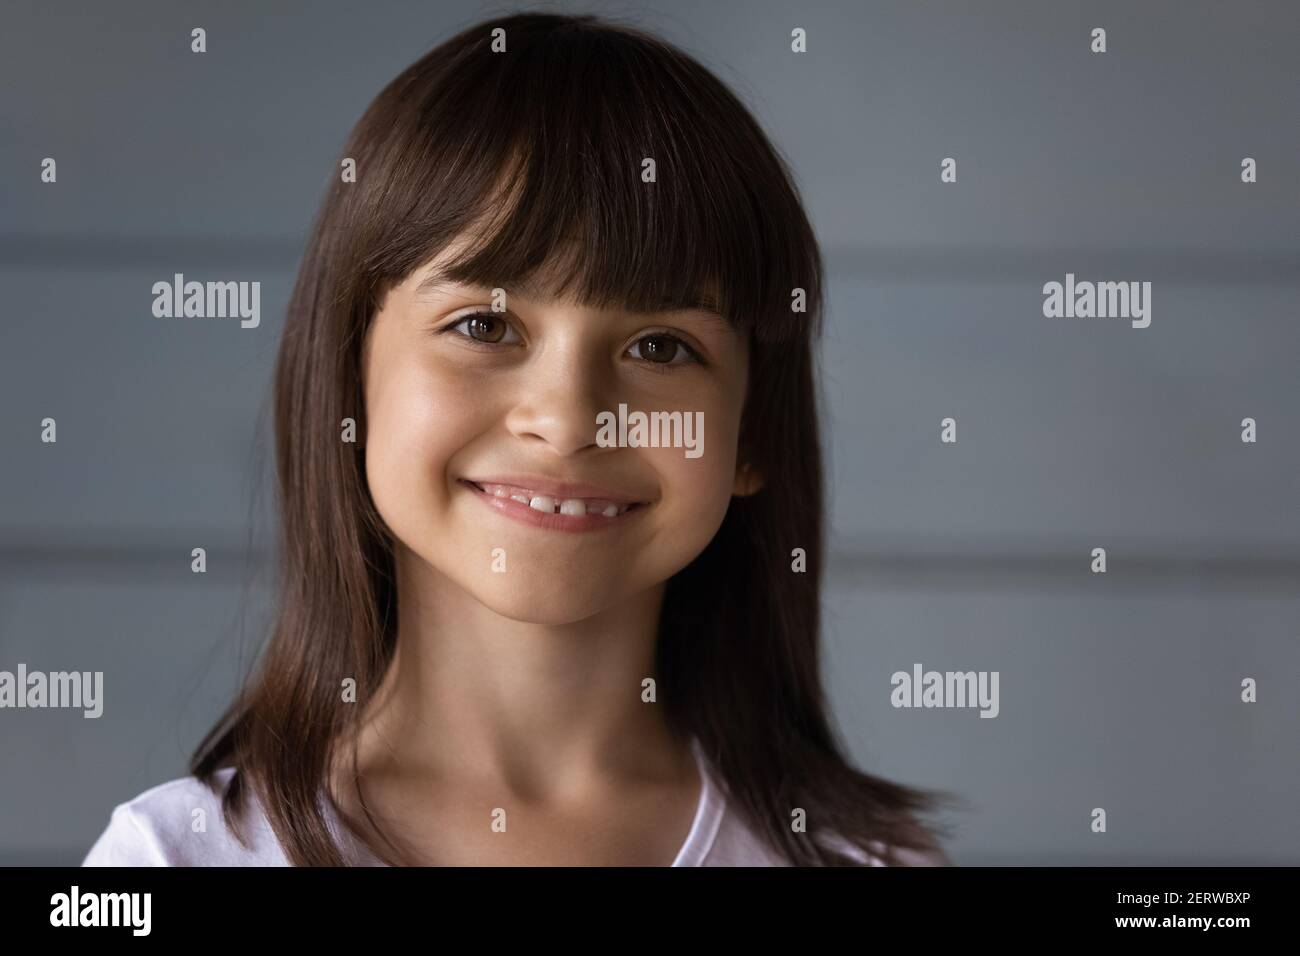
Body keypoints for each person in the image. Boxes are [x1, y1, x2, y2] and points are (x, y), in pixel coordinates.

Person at [84, 11, 956, 867]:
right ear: (349, 377)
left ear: (753, 434)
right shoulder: (172, 859)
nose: (571, 419)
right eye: (484, 327)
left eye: (660, 347)